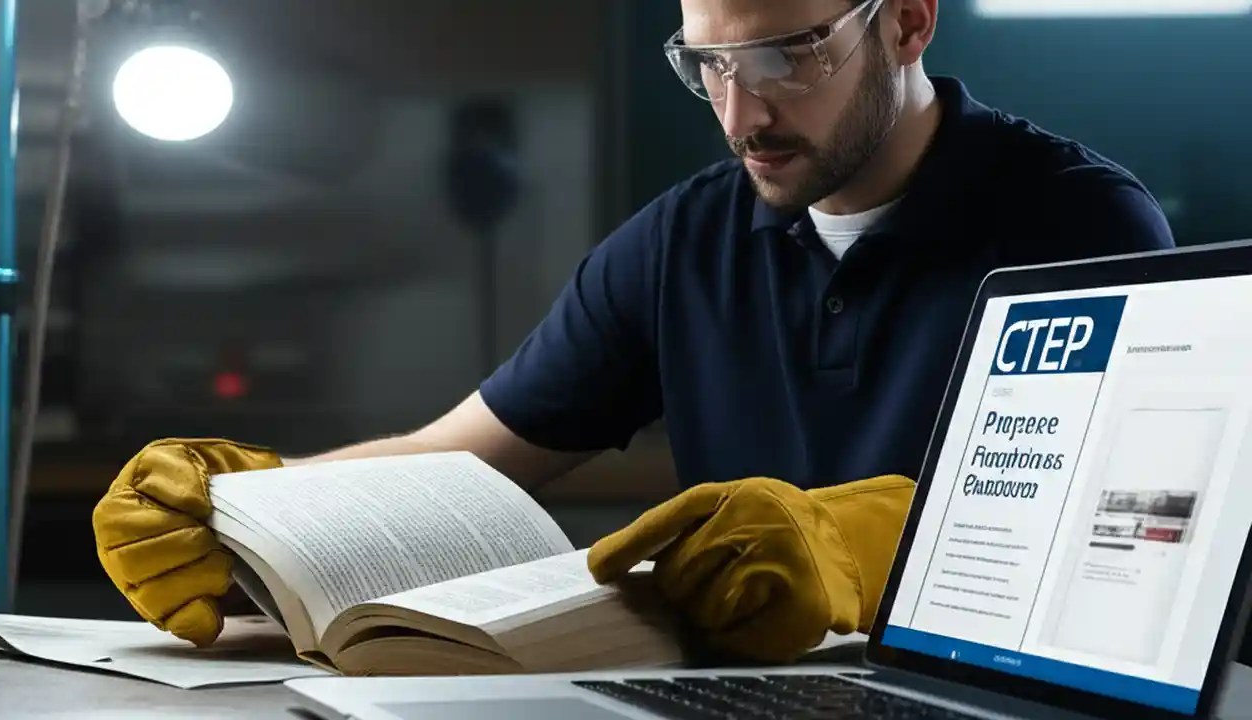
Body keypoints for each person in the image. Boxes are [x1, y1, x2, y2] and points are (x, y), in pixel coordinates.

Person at [92, 0, 1175, 662]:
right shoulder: (684, 239)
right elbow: (455, 463)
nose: (741, 113)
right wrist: (251, 511)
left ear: (905, 21)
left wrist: (862, 549)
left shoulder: (1078, 220)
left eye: (785, 57)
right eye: (707, 64)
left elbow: (1116, 543)